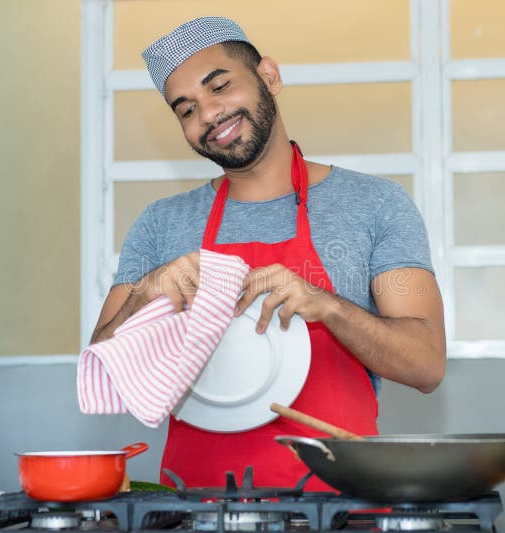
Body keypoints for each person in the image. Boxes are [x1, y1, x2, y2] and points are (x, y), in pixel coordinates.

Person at [90, 16, 446, 489]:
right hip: (196, 510)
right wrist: (144, 296)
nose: (209, 114)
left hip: (338, 508)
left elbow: (426, 365)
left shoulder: (374, 204)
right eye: (186, 110)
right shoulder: (161, 224)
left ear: (270, 77)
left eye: (220, 87)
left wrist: (328, 306)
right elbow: (102, 377)